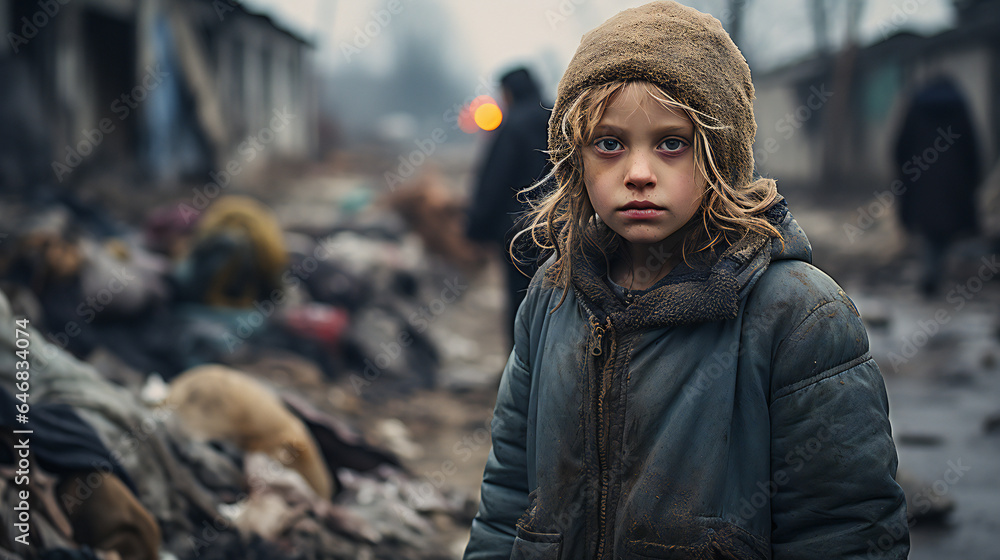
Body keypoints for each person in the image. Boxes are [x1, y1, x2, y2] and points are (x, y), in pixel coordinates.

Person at [463, 3, 908, 559]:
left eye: (672, 143)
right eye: (609, 144)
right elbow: (507, 496)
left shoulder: (798, 315)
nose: (639, 173)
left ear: (720, 154)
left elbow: (844, 528)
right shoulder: (553, 297)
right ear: (575, 159)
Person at [466, 67, 551, 349]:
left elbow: (494, 181)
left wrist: (476, 228)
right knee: (558, 301)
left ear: (509, 92)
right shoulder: (557, 118)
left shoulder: (512, 126)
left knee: (521, 302)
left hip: (520, 233)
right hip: (561, 227)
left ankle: (521, 371)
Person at [894, 77, 981, 297]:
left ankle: (931, 276)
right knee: (943, 233)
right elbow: (972, 148)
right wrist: (972, 180)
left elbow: (900, 146)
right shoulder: (959, 108)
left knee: (930, 232)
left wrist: (906, 173)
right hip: (954, 184)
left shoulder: (916, 108)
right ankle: (934, 276)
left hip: (922, 183)